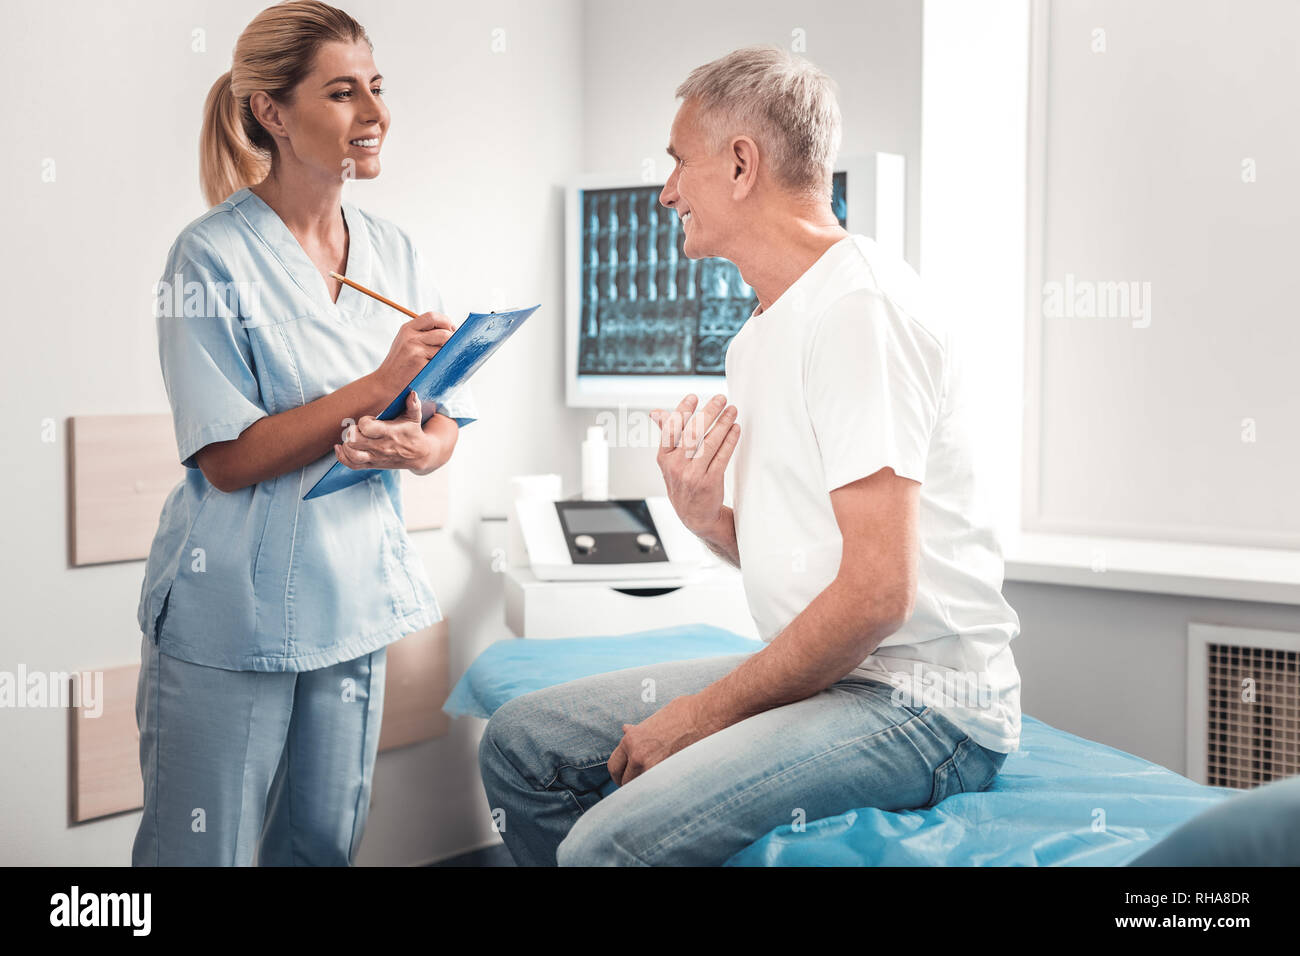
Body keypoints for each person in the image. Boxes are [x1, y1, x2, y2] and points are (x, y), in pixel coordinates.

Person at [479, 45, 1021, 866]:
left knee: (606, 847)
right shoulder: (760, 336)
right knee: (525, 742)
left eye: (676, 164)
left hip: (924, 700)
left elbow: (878, 595)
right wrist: (709, 520)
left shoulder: (859, 309)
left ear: (740, 164)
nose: (666, 193)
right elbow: (818, 563)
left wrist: (700, 715)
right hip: (843, 676)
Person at [133, 0, 474, 866]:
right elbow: (229, 460)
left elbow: (436, 428)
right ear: (271, 113)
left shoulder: (394, 251)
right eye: (342, 92)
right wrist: (379, 383)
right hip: (231, 610)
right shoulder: (209, 258)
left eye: (377, 88)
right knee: (201, 852)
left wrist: (422, 445)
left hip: (353, 600)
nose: (374, 114)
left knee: (322, 847)